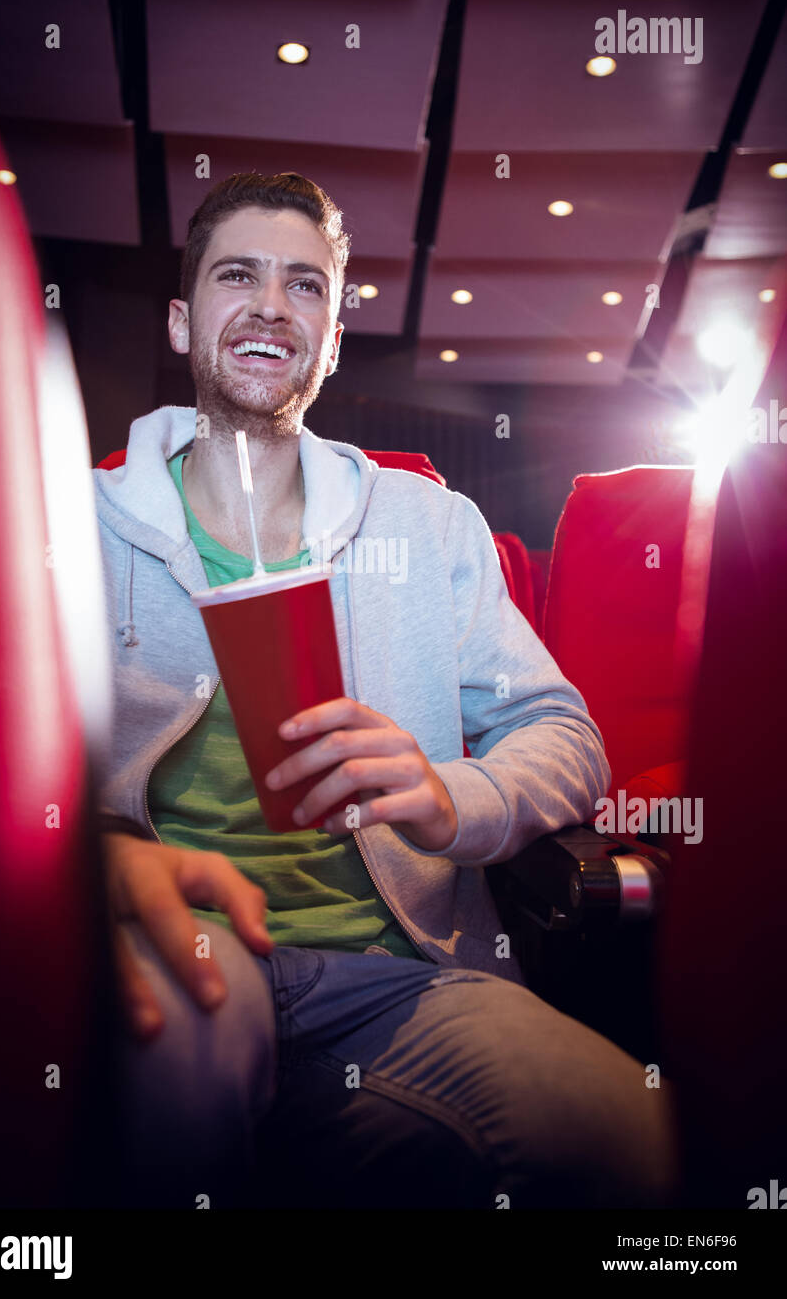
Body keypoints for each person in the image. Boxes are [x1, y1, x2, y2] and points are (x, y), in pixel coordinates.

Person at [94, 171, 678, 1209]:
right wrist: (92, 854)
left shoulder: (427, 523)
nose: (273, 304)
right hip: (174, 933)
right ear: (184, 319)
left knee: (624, 1142)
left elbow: (562, 733)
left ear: (326, 334)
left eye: (305, 286)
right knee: (180, 1050)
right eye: (239, 275)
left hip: (398, 976)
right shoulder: (73, 522)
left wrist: (455, 796)